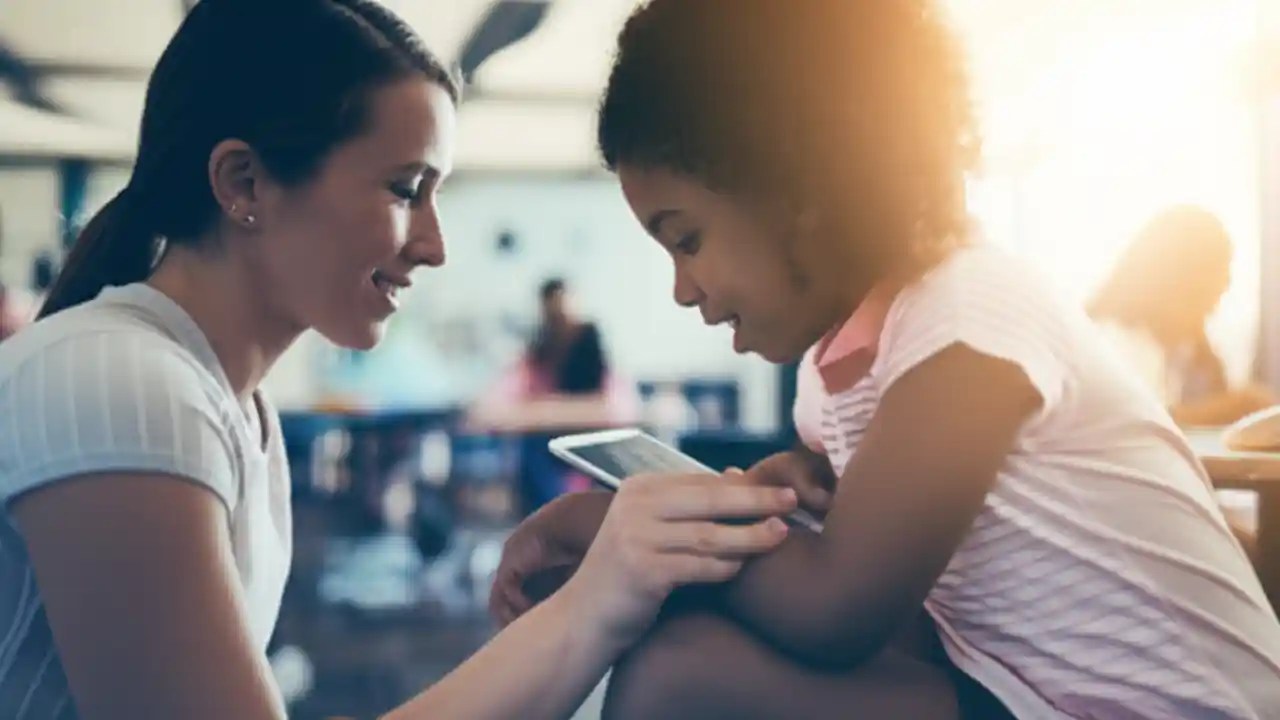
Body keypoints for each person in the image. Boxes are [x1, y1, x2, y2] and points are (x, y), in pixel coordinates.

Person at [0, 2, 799, 718]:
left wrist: (605, 594)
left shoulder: (225, 405)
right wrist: (600, 595)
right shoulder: (121, 382)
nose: (435, 245)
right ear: (244, 181)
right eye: (405, 188)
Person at [491, 1, 1280, 718]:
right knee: (683, 645)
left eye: (687, 240)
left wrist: (615, 524)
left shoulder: (969, 318)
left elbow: (839, 611)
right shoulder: (845, 369)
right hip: (1029, 688)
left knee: (680, 679)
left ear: (801, 190)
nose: (681, 290)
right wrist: (772, 508)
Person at [1090, 205, 1275, 427]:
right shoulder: (1112, 340)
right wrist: (1229, 408)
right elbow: (1129, 425)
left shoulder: (1191, 352)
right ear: (1175, 275)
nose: (1225, 284)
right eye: (1215, 270)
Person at [468, 278, 641, 512]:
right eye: (555, 319)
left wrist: (545, 410)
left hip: (592, 471)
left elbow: (623, 409)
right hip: (545, 474)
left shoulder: (597, 362)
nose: (563, 330)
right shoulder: (533, 363)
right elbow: (486, 412)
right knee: (532, 447)